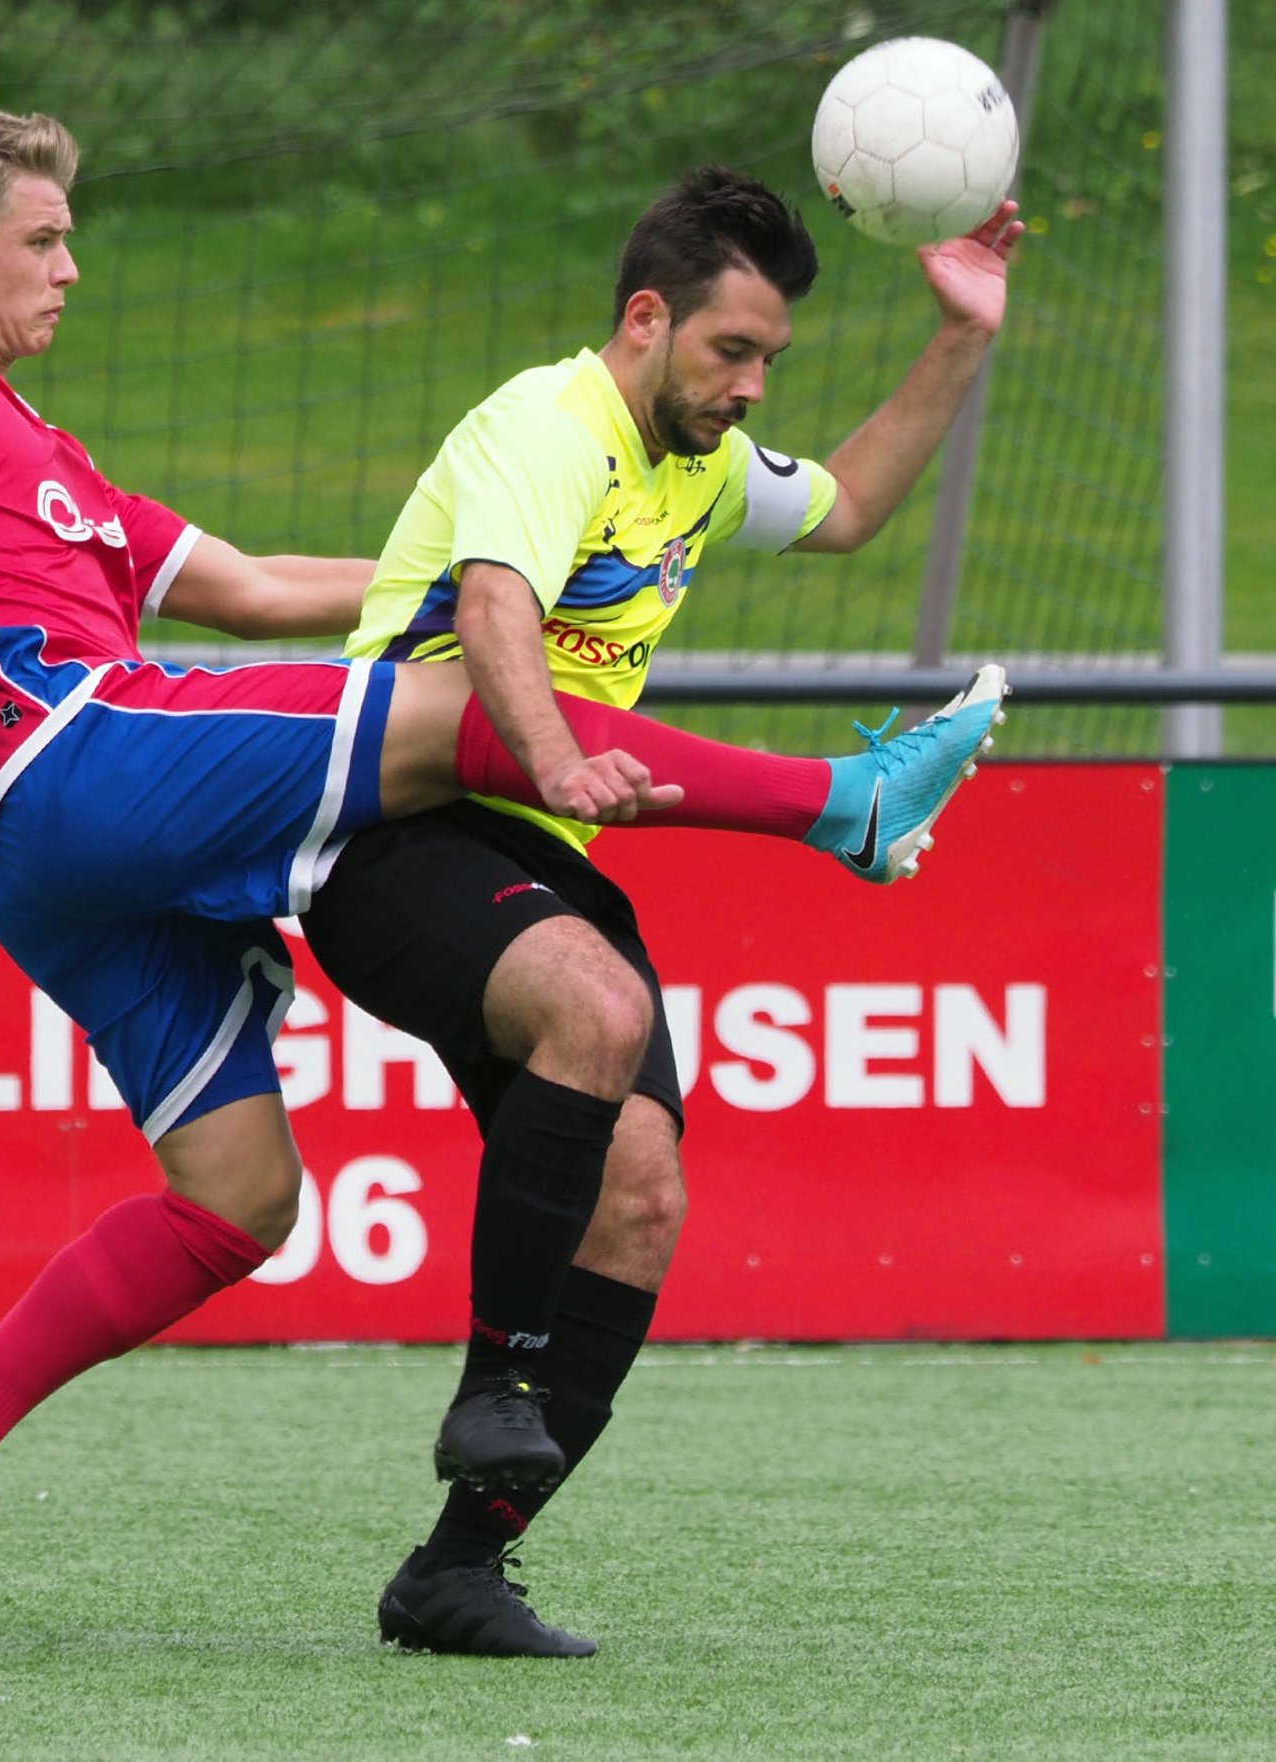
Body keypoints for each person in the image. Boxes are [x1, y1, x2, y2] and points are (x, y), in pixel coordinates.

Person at [0, 103, 1007, 1634]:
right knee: (469, 691)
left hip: (37, 853)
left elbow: (255, 589)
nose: (71, 267)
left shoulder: (52, 458)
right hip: (78, 750)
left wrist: (423, 558)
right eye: (43, 239)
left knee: (243, 1198)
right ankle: (844, 802)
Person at [298, 166, 1022, 1658]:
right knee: (599, 1007)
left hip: (538, 845)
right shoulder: (544, 427)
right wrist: (558, 753)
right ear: (647, 317)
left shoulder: (697, 456)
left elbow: (857, 505)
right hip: (392, 826)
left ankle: (456, 1572)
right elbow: (496, 603)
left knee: (640, 1197)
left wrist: (963, 331)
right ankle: (493, 1380)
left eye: (770, 362)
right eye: (730, 352)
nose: (751, 387)